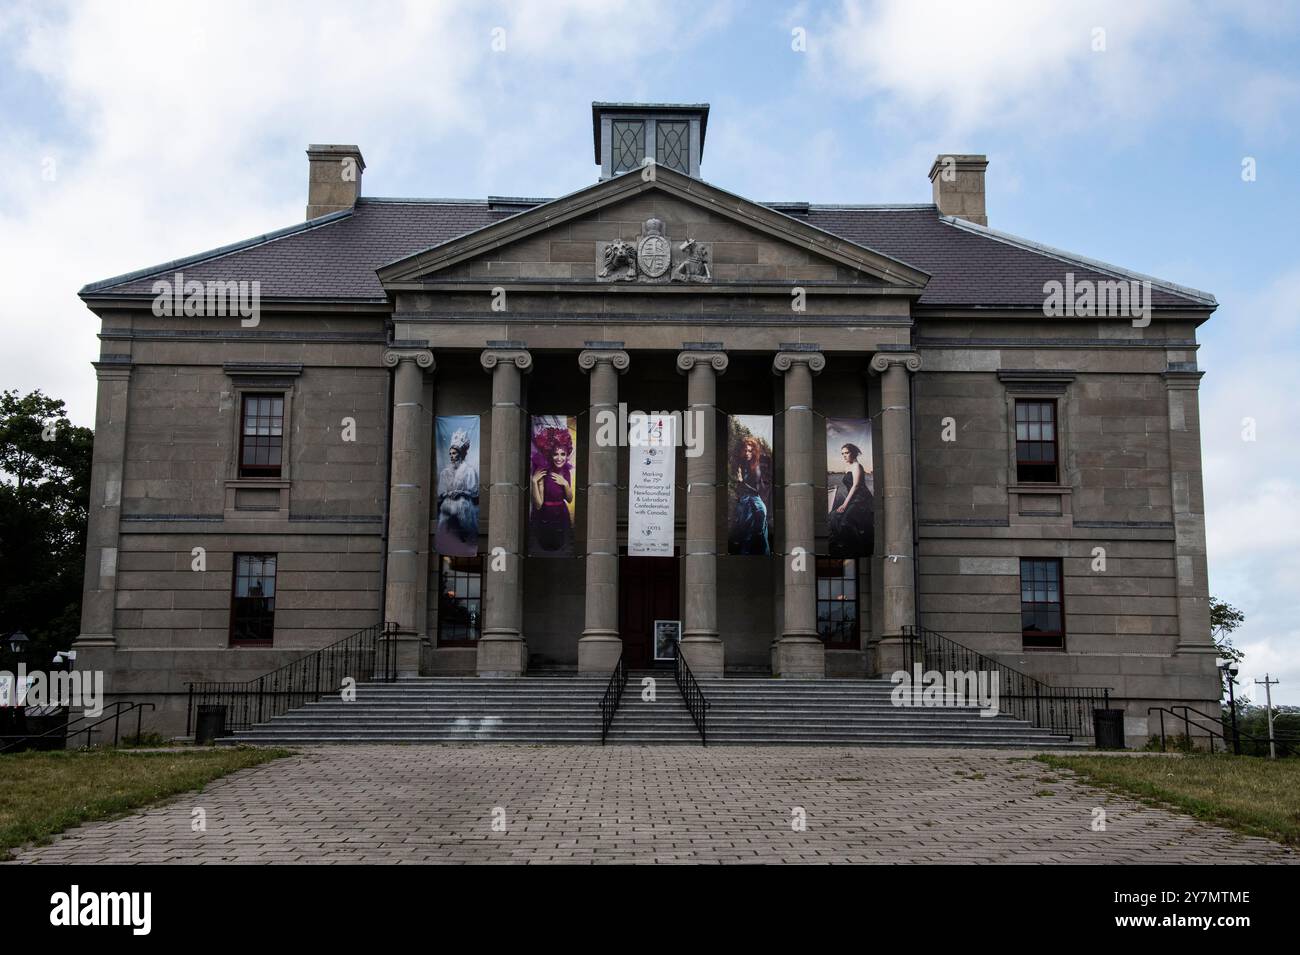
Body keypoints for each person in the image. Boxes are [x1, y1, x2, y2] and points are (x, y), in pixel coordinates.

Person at [529, 426, 574, 555]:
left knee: (563, 550)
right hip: (545, 516)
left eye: (563, 454)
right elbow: (538, 504)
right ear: (550, 453)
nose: (559, 458)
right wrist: (534, 481)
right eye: (555, 454)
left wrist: (565, 483)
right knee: (544, 550)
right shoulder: (543, 471)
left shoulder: (566, 472)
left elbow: (570, 499)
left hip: (562, 515)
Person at [436, 428, 479, 554]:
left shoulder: (469, 471)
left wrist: (461, 492)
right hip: (447, 506)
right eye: (450, 454)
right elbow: (441, 492)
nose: (452, 456)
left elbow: (475, 492)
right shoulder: (445, 473)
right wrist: (447, 493)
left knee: (464, 525)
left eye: (454, 453)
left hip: (463, 506)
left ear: (460, 453)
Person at [828, 443, 874, 558]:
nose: (844, 456)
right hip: (853, 498)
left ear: (853, 453)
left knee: (845, 521)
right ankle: (843, 543)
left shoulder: (856, 466)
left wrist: (844, 504)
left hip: (861, 499)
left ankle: (857, 547)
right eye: (842, 453)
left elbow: (855, 486)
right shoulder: (847, 467)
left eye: (846, 453)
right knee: (833, 516)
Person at [729, 435, 770, 555]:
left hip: (755, 497)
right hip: (744, 498)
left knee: (761, 520)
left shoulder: (757, 464)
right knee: (746, 529)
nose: (747, 453)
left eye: (750, 451)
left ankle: (763, 552)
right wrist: (740, 481)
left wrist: (743, 482)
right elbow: (740, 486)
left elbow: (759, 484)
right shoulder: (741, 465)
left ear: (754, 451)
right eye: (746, 450)